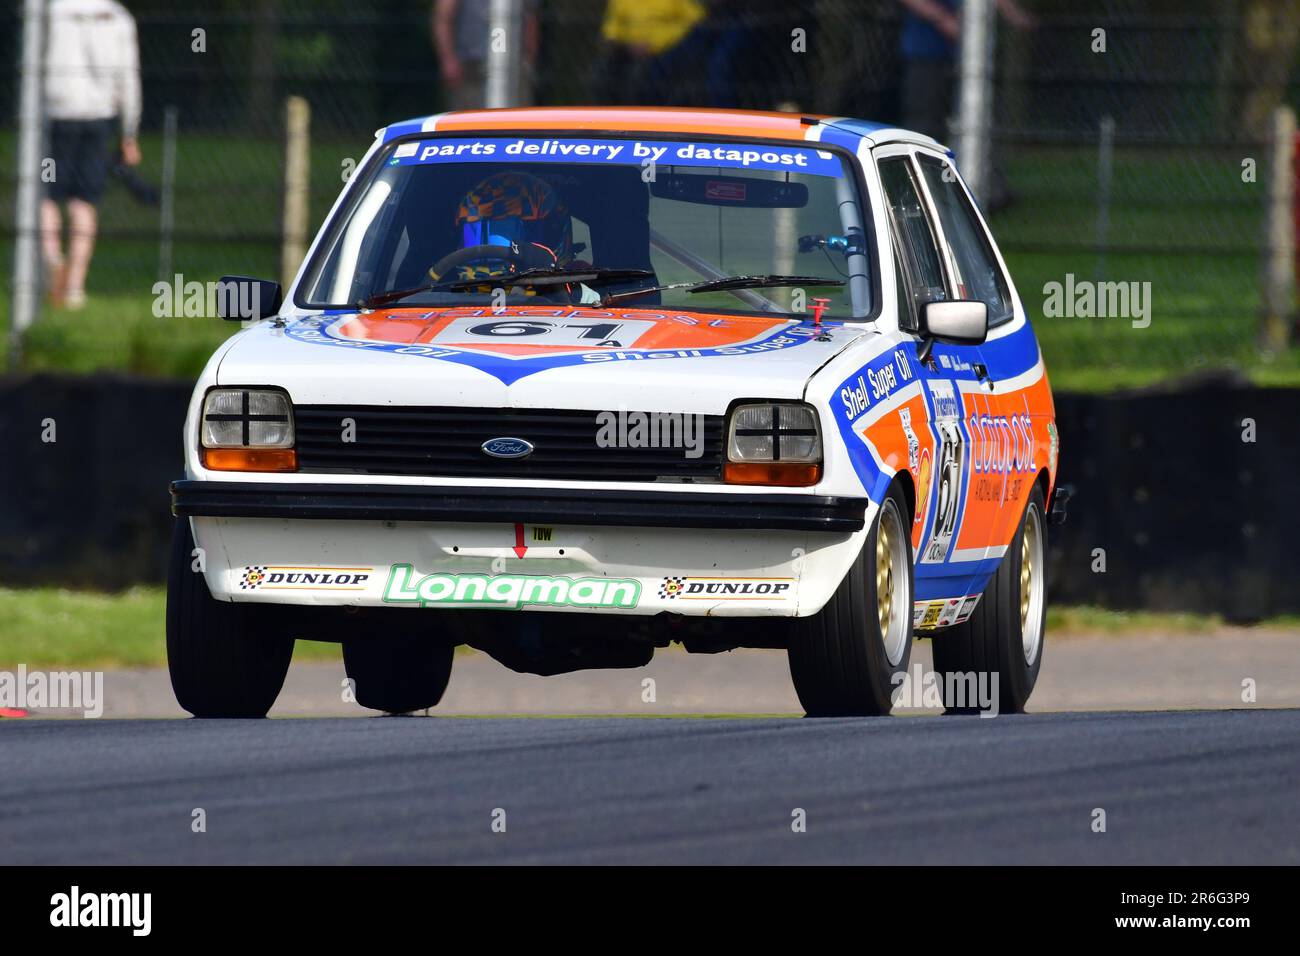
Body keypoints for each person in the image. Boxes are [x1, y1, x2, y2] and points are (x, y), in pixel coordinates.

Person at [41, 0, 142, 309]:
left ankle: (53, 261)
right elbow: (128, 77)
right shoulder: (118, 16)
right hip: (98, 118)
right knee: (83, 202)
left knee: (44, 197)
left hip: (55, 116)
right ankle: (74, 288)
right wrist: (129, 132)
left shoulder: (48, 10)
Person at [897, 0, 1034, 211]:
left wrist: (1012, 12)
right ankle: (917, 192)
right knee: (925, 126)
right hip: (927, 54)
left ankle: (989, 192)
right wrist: (944, 20)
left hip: (972, 59)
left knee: (983, 121)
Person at [433, 0, 539, 110]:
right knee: (469, 119)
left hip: (514, 69)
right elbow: (443, 17)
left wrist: (528, 60)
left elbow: (531, 19)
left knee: (514, 118)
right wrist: (448, 59)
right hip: (471, 67)